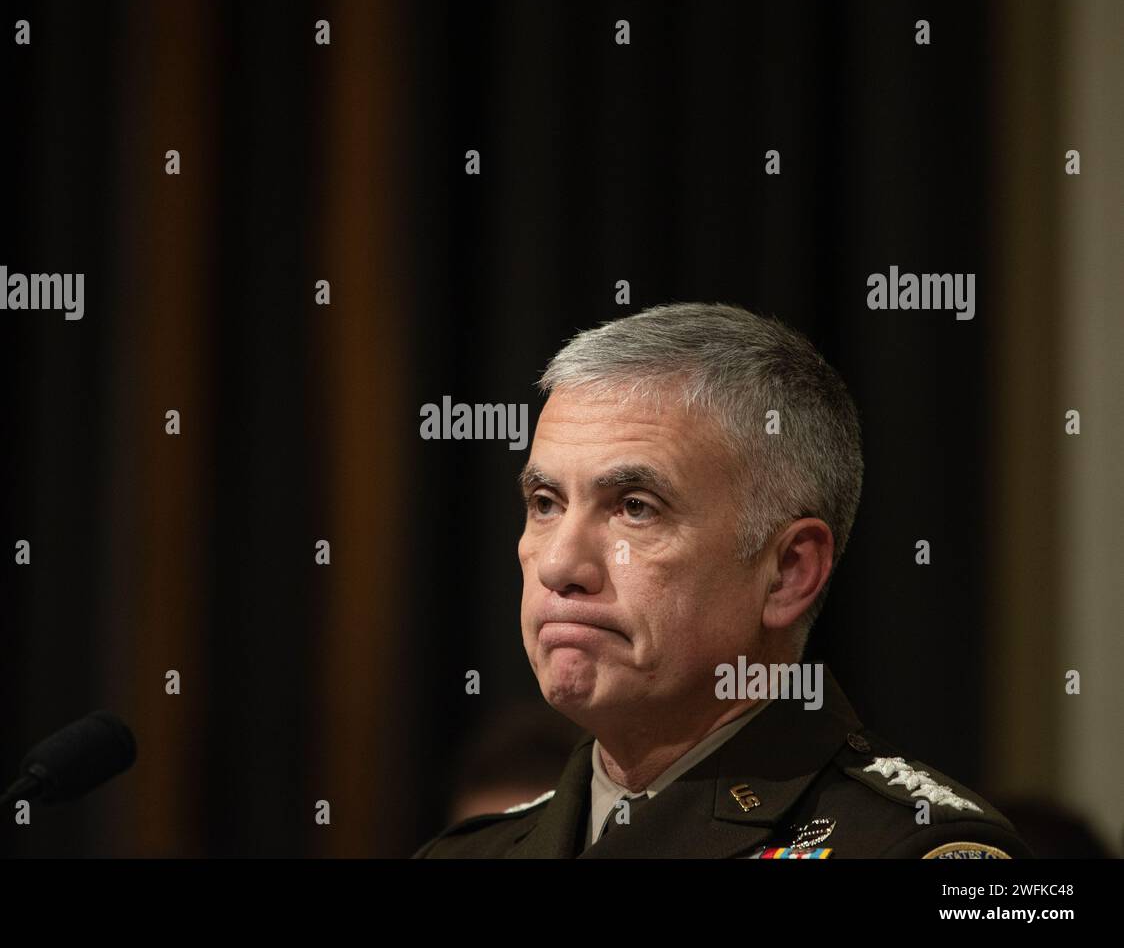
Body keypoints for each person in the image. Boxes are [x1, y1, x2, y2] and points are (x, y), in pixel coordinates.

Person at [414, 302, 1031, 859]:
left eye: (635, 507)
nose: (559, 566)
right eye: (546, 502)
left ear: (788, 572)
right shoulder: (464, 853)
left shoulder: (925, 852)